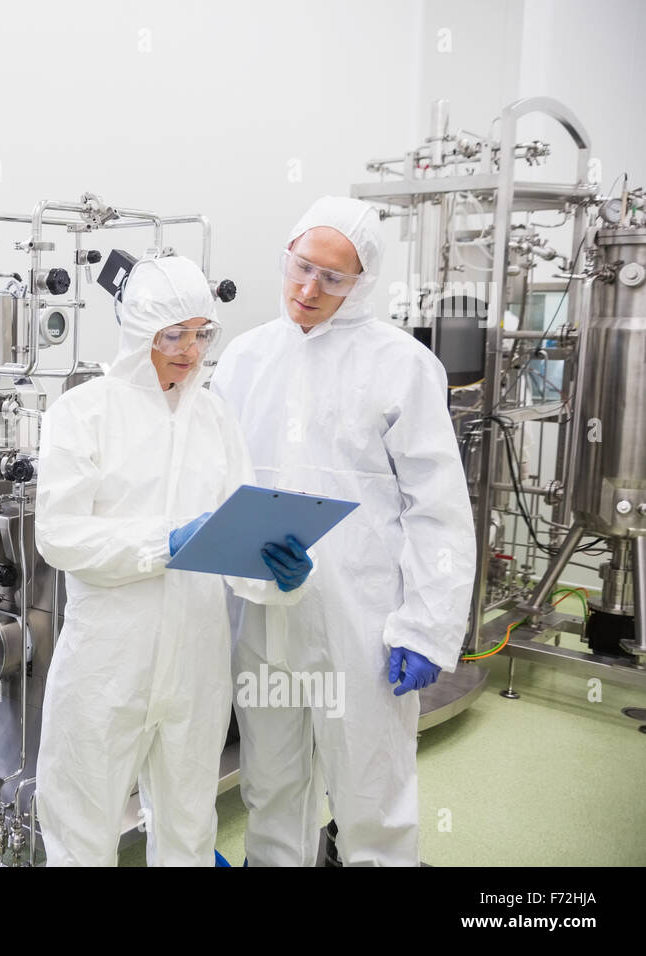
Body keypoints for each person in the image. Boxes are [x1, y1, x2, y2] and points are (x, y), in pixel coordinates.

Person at [211, 196, 476, 866]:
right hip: (264, 616)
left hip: (362, 623)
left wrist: (427, 626)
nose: (309, 289)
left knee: (372, 792)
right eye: (302, 268)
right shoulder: (244, 359)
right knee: (271, 786)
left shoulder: (400, 365)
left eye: (333, 279)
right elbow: (218, 485)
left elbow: (437, 507)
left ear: (361, 285)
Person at [34, 254, 313, 867]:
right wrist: (165, 545)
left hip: (195, 662)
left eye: (201, 334)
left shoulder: (215, 418)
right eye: (174, 335)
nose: (191, 350)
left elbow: (238, 536)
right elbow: (59, 536)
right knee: (82, 832)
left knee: (188, 831)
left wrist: (274, 574)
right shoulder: (83, 414)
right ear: (140, 334)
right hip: (107, 665)